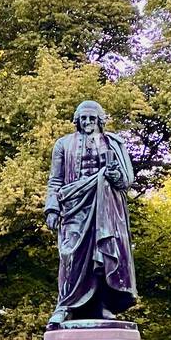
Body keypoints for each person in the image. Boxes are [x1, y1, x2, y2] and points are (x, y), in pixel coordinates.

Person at [44, 100, 137, 326]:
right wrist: (52, 207)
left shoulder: (113, 143)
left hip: (107, 207)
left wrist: (114, 175)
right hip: (74, 204)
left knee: (105, 254)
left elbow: (126, 181)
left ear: (100, 120)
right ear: (77, 120)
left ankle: (102, 305)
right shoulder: (63, 144)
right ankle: (65, 305)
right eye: (83, 118)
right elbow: (55, 180)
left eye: (92, 118)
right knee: (71, 256)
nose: (87, 122)